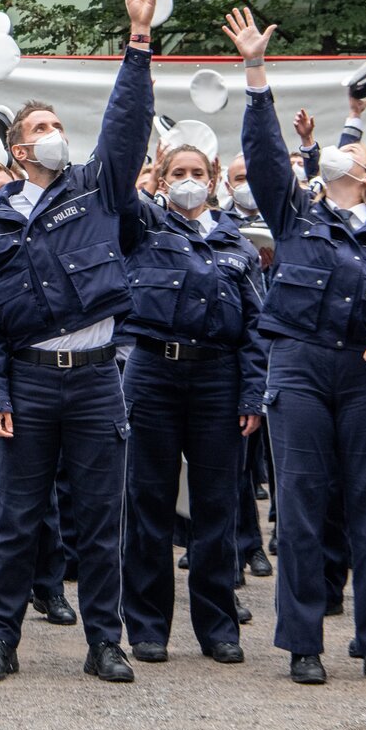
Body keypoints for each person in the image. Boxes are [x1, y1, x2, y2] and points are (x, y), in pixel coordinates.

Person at [0, 0, 159, 686]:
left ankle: (106, 641)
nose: (53, 136)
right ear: (15, 151)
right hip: (28, 385)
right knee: (17, 520)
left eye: (56, 127)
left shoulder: (95, 187)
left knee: (101, 521)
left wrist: (137, 43)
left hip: (99, 379)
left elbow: (127, 126)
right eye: (39, 129)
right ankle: (0, 638)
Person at [224, 6, 366, 689]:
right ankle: (302, 641)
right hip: (300, 366)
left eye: (353, 156)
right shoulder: (297, 213)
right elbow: (260, 154)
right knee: (304, 506)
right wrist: (255, 73)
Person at [113, 131, 265, 666]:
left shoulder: (238, 245)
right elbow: (117, 185)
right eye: (175, 173)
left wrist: (251, 394)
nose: (187, 183)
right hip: (152, 372)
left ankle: (218, 626)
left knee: (216, 508)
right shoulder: (143, 229)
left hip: (217, 380)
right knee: (147, 503)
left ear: (214, 176)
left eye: (196, 173)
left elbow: (255, 330)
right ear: (159, 176)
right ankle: (148, 626)